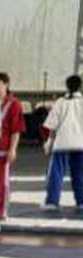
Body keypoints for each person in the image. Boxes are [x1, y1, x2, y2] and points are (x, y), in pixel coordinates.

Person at [0, 72, 25, 237]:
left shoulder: (14, 104)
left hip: (3, 152)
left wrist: (13, 149)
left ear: (6, 85)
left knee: (0, 185)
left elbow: (16, 129)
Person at [44, 75, 83, 208]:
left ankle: (52, 202)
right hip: (80, 143)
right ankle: (81, 201)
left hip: (61, 142)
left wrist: (49, 141)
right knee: (80, 173)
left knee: (56, 173)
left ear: (66, 86)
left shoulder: (60, 102)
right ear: (80, 86)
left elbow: (52, 125)